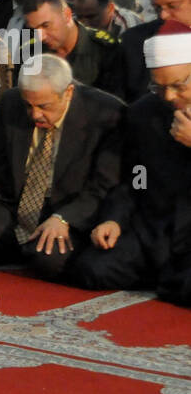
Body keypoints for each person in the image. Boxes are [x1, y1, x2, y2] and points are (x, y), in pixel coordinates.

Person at [0, 54, 124, 280]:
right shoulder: (11, 102)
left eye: (44, 106)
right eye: (29, 105)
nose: (35, 114)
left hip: (65, 209)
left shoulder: (107, 113)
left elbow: (102, 186)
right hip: (17, 204)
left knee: (48, 260)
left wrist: (65, 218)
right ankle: (23, 245)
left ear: (68, 93)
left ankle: (32, 247)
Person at [71, 21, 191, 303]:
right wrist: (114, 218)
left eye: (178, 86)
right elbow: (135, 177)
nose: (170, 97)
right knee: (91, 269)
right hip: (155, 225)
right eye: (159, 87)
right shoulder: (144, 113)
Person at [21, 0, 124, 96]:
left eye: (46, 26)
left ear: (67, 15)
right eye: (33, 30)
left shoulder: (106, 49)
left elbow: (114, 103)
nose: (40, 37)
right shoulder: (28, 53)